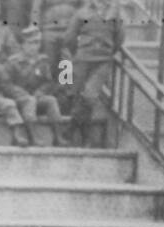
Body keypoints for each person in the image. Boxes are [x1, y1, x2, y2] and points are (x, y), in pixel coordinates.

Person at [62, 0, 123, 148]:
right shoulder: (82, 13)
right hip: (83, 58)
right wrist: (78, 53)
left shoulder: (115, 13)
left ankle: (71, 127)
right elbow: (70, 37)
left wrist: (108, 51)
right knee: (77, 94)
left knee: (89, 95)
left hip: (103, 61)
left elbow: (120, 38)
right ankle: (83, 137)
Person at [5, 26, 64, 147]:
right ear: (23, 45)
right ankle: (32, 137)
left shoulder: (42, 61)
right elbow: (6, 84)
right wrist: (21, 93)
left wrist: (41, 91)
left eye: (37, 43)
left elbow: (49, 82)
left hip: (36, 97)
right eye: (31, 43)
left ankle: (58, 137)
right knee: (30, 100)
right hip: (19, 100)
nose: (34, 47)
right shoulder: (13, 61)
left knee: (51, 100)